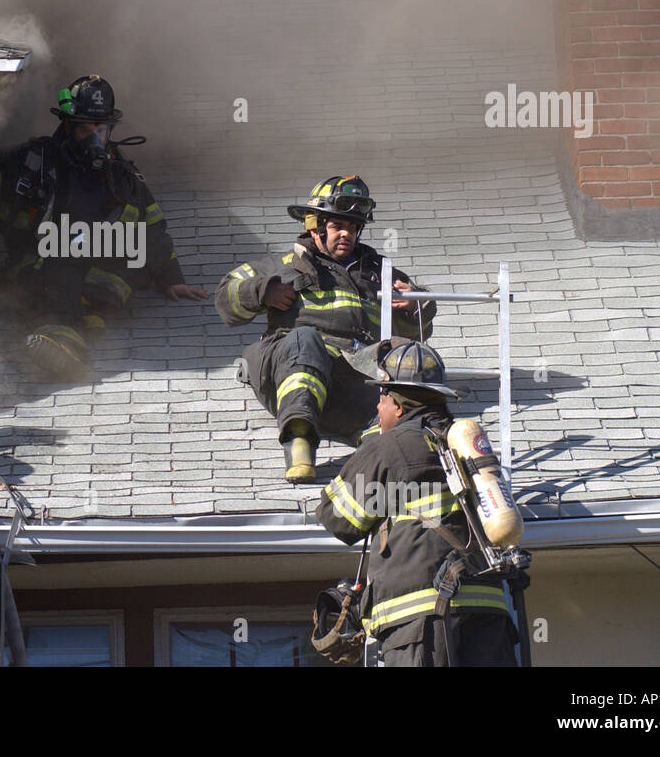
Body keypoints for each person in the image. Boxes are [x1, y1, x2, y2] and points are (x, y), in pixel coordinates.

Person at [0, 74, 208, 380]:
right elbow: (1, 172)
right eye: (84, 129)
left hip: (102, 277)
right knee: (56, 281)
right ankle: (66, 349)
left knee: (101, 273)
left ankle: (73, 339)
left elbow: (152, 227)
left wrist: (170, 278)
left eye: (100, 129)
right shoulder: (39, 158)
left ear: (110, 129)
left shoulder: (123, 175)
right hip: (42, 266)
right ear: (67, 128)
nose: (93, 138)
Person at [215, 174, 437, 483]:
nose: (346, 234)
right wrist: (263, 291)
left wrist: (417, 305)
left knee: (394, 399)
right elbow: (225, 295)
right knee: (305, 340)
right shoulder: (283, 265)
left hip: (352, 379)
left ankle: (377, 470)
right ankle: (299, 443)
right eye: (337, 226)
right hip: (289, 370)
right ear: (314, 225)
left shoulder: (380, 274)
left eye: (353, 227)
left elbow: (411, 338)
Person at [315, 339, 518, 667]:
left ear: (396, 402)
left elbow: (336, 518)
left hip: (422, 621)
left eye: (380, 398)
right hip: (488, 611)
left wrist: (369, 452)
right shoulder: (462, 443)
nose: (378, 409)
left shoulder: (390, 447)